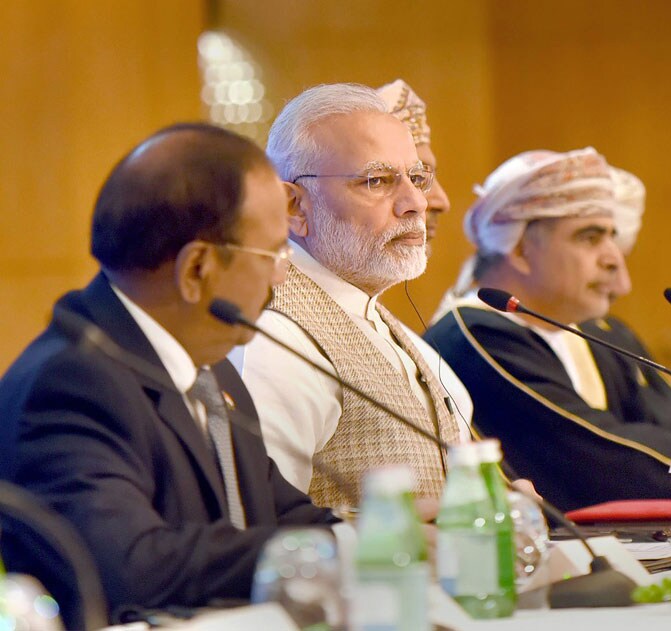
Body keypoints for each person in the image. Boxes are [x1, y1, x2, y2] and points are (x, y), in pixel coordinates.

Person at [0, 123, 337, 628]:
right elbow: (130, 566)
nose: (280, 276)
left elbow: (275, 512)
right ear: (197, 268)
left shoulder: (209, 363)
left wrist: (382, 537)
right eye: (274, 255)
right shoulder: (71, 383)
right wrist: (335, 552)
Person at [424, 148, 671, 511]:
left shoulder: (590, 332)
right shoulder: (472, 336)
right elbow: (606, 464)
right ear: (521, 249)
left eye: (612, 237)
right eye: (590, 238)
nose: (613, 259)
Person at [235, 83, 462, 511]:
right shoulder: (274, 336)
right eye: (376, 181)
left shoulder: (383, 323)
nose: (416, 203)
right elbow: (261, 531)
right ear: (294, 207)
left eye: (417, 178)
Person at [375, 78, 474, 426]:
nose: (440, 201)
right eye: (415, 178)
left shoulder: (376, 318)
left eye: (421, 179)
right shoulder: (282, 331)